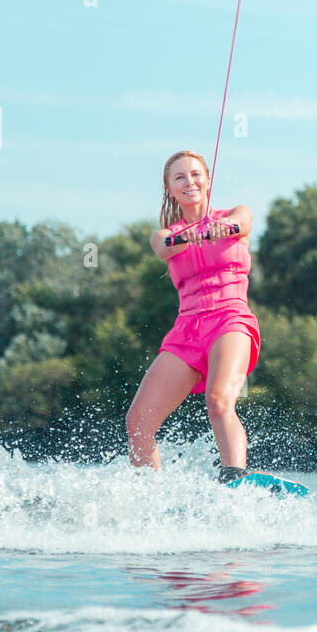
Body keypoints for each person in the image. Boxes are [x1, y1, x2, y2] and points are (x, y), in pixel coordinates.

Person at [126, 150, 260, 482]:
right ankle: (152, 500)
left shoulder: (235, 214)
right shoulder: (163, 234)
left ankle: (235, 481)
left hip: (230, 321)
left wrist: (219, 228)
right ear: (169, 189)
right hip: (187, 332)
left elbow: (240, 224)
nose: (190, 182)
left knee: (218, 400)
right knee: (138, 422)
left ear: (208, 180)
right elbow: (164, 246)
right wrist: (190, 235)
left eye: (196, 174)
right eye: (180, 177)